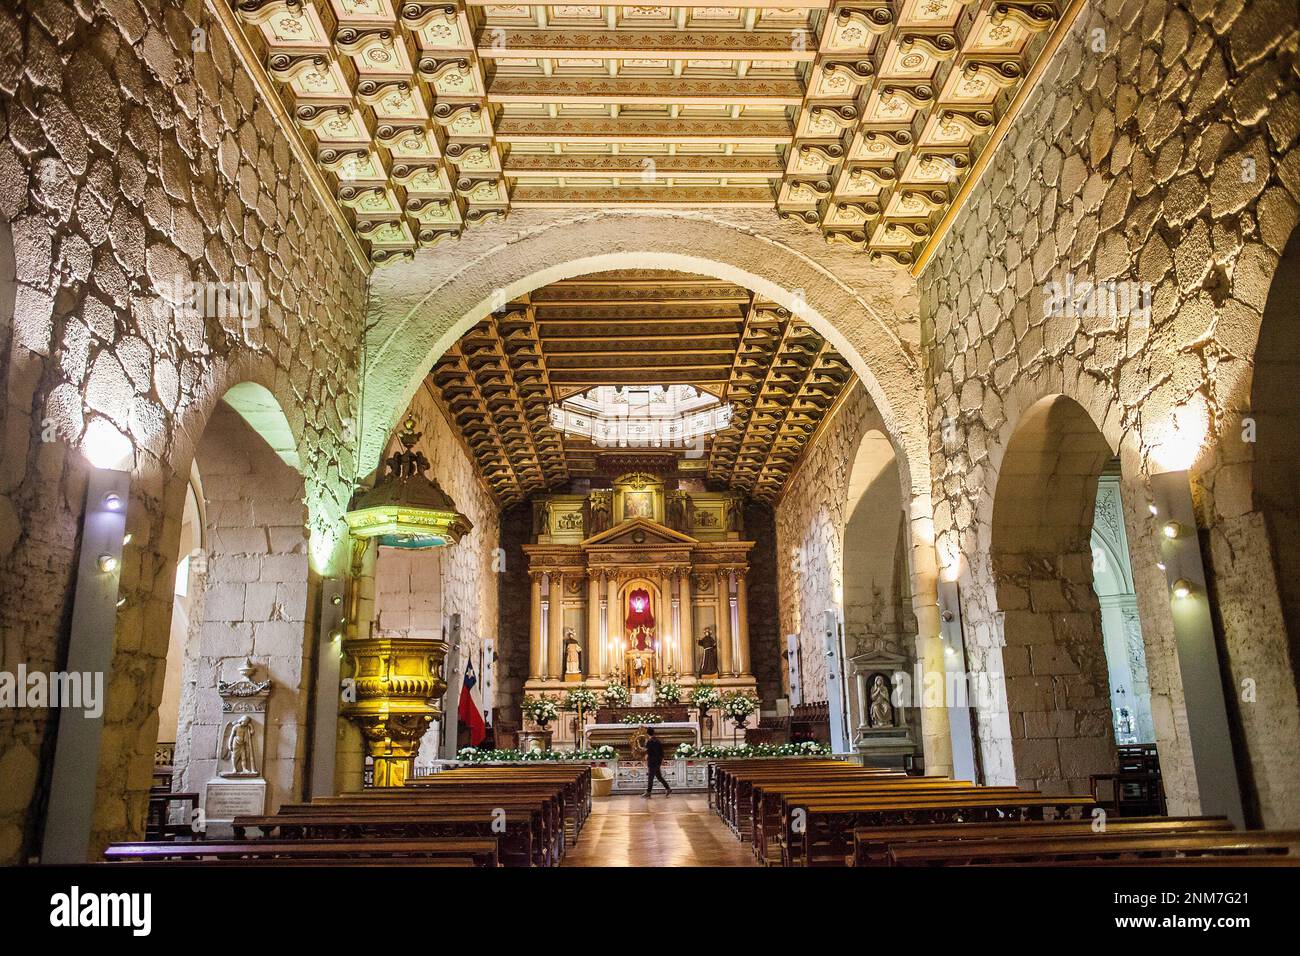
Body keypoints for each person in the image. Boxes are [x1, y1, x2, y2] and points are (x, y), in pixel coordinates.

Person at [642, 726, 672, 798]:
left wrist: (646, 757)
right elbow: (661, 751)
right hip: (658, 760)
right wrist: (662, 759)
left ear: (647, 733)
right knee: (659, 776)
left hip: (652, 761)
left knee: (650, 777)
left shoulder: (649, 741)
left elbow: (647, 752)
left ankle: (648, 792)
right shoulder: (658, 740)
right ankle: (668, 788)